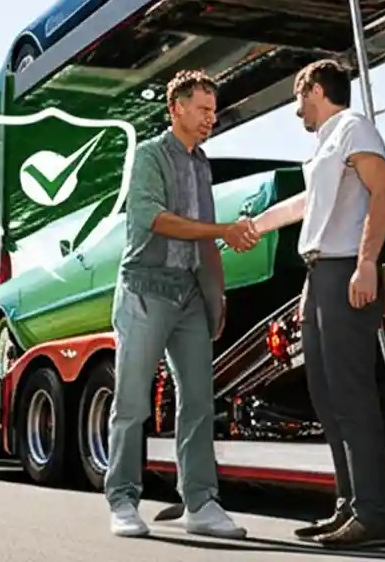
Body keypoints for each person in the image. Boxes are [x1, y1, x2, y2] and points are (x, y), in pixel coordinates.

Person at [249, 58, 385, 548]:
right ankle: (346, 506)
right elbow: (304, 207)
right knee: (325, 396)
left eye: (297, 99)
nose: (296, 112)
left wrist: (366, 263)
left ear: (313, 89)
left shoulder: (354, 129)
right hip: (319, 274)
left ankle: (372, 514)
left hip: (344, 269)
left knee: (351, 395)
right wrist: (253, 227)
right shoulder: (326, 143)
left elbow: (384, 192)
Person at [105, 69, 256, 539]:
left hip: (191, 295)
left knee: (198, 402)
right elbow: (154, 219)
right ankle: (124, 501)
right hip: (145, 292)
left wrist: (217, 293)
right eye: (203, 109)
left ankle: (201, 504)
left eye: (214, 110)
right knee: (131, 403)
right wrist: (222, 231)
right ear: (177, 108)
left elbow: (206, 235)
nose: (212, 117)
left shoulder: (202, 164)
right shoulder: (150, 156)